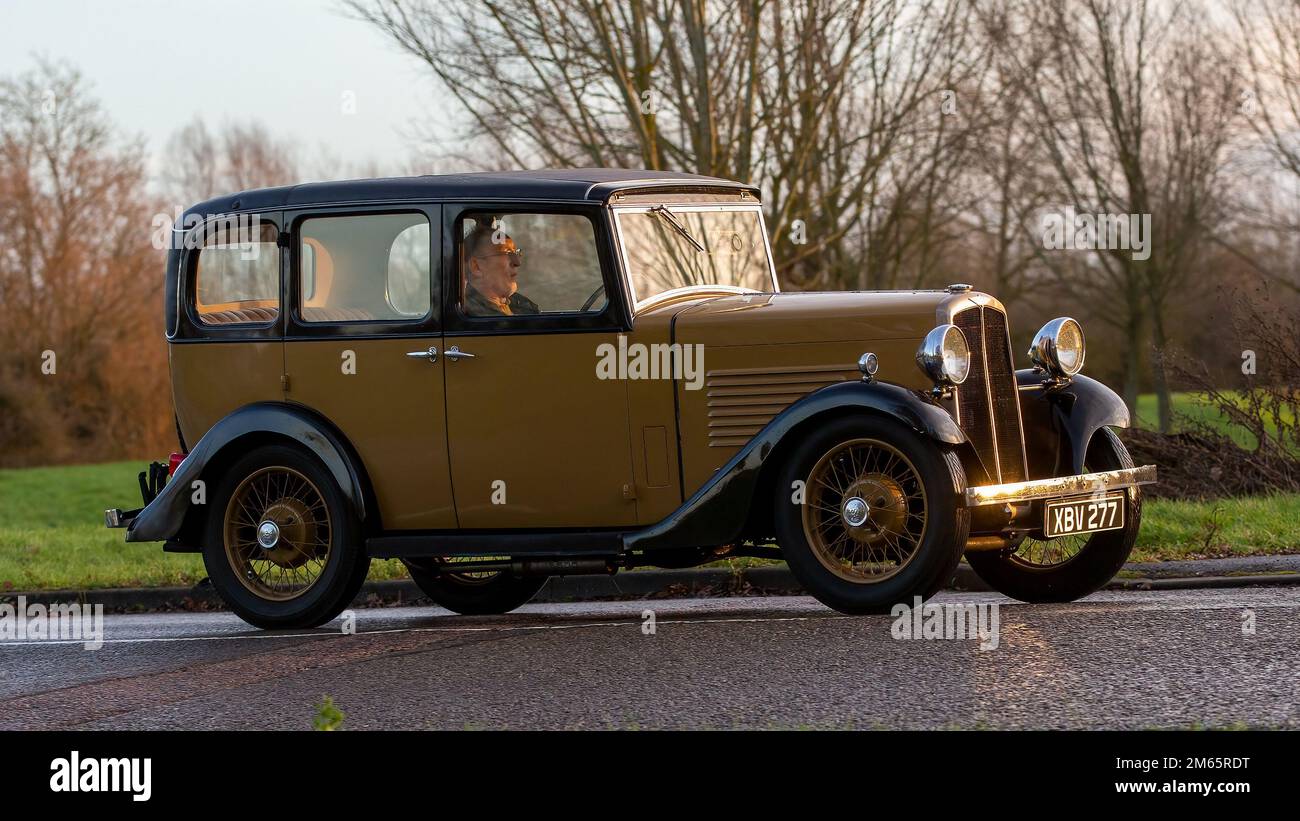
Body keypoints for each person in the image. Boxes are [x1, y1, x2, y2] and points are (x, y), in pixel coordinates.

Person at [463, 223, 540, 316]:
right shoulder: (473, 317)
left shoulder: (522, 305)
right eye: (506, 252)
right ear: (476, 267)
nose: (517, 262)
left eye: (515, 252)